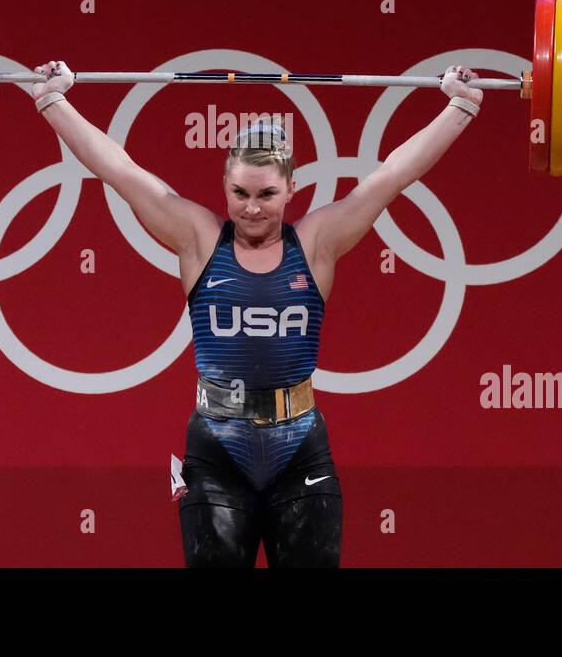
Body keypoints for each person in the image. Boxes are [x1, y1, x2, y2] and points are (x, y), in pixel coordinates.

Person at [30, 60, 484, 566]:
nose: (252, 208)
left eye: (267, 194)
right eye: (240, 194)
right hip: (217, 455)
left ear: (291, 189)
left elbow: (392, 177)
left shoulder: (316, 244)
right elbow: (119, 171)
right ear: (224, 187)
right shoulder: (198, 239)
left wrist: (460, 107)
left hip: (301, 454)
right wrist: (54, 101)